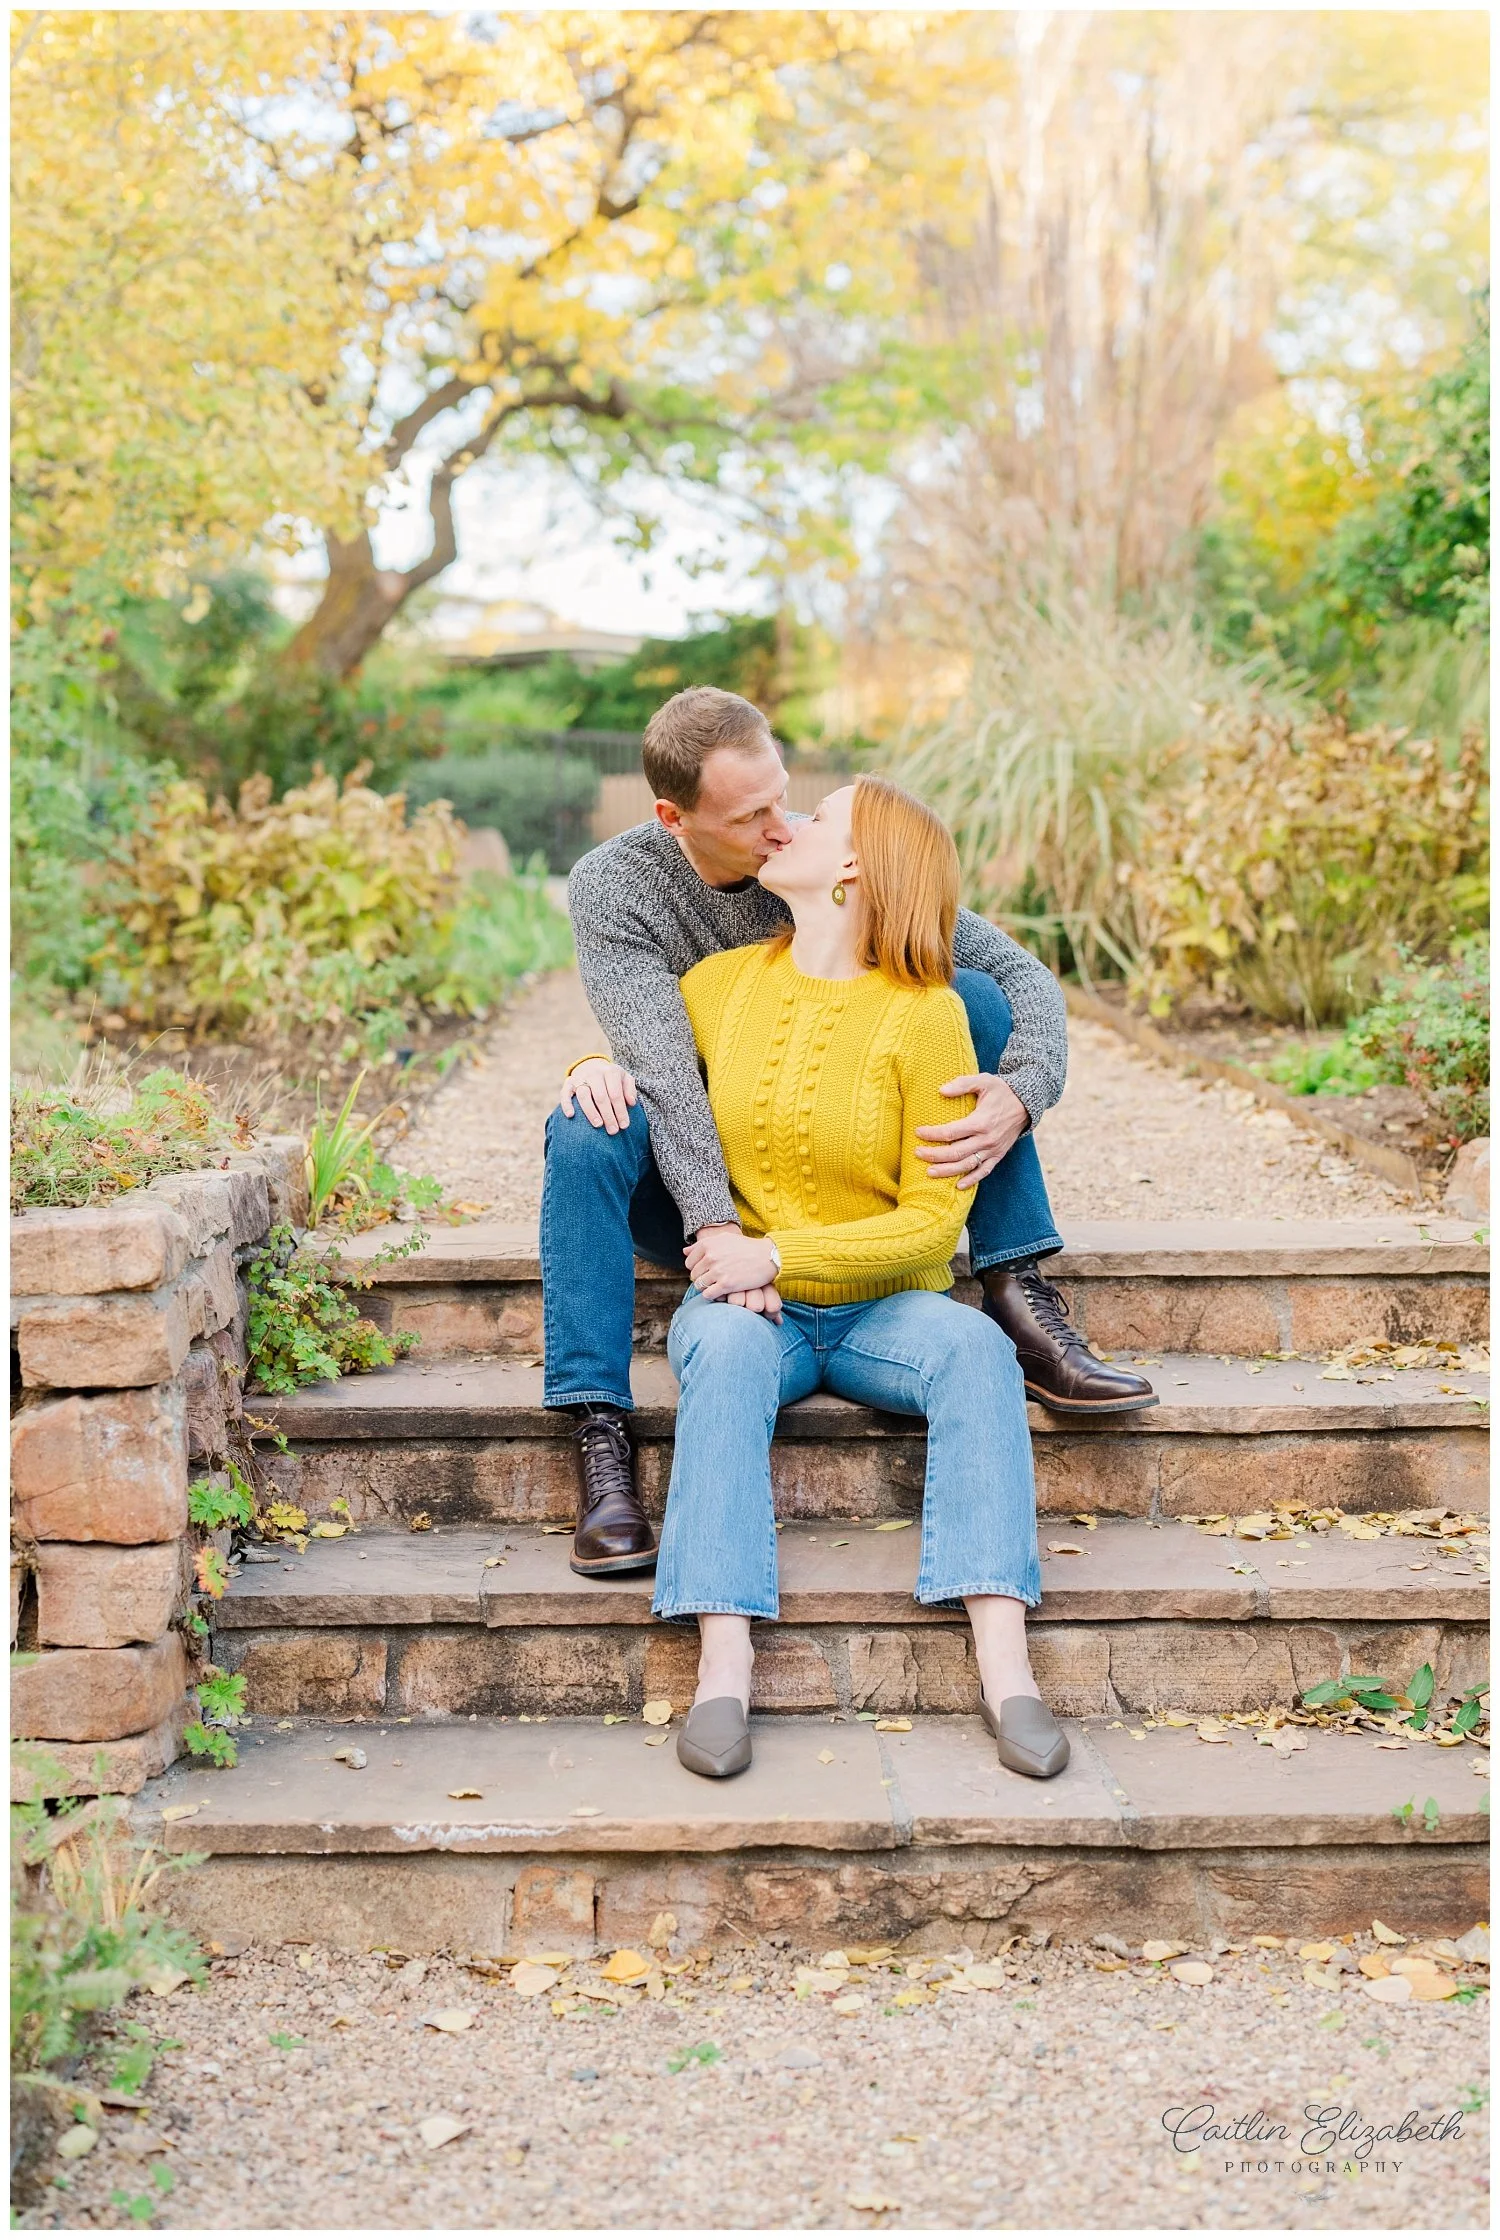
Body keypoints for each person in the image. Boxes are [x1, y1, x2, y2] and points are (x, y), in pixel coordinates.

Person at [541, 686, 1154, 1580]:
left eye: (784, 796)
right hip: (700, 1191)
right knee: (586, 1126)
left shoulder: (823, 857)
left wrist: (1022, 1094)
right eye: (751, 817)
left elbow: (1023, 980)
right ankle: (599, 1434)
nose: (781, 828)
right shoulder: (617, 887)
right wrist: (717, 1229)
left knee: (969, 999)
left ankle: (1017, 1285)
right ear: (675, 817)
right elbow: (663, 1067)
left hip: (843, 1182)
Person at [654, 773, 1068, 1782]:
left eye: (819, 817)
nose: (785, 824)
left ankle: (1007, 1667)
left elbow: (931, 1222)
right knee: (717, 1346)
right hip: (757, 1311)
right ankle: (722, 1664)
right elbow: (649, 1065)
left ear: (853, 865)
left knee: (976, 1346)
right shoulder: (719, 987)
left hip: (891, 1307)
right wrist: (589, 1064)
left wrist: (782, 1251)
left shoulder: (925, 1016)